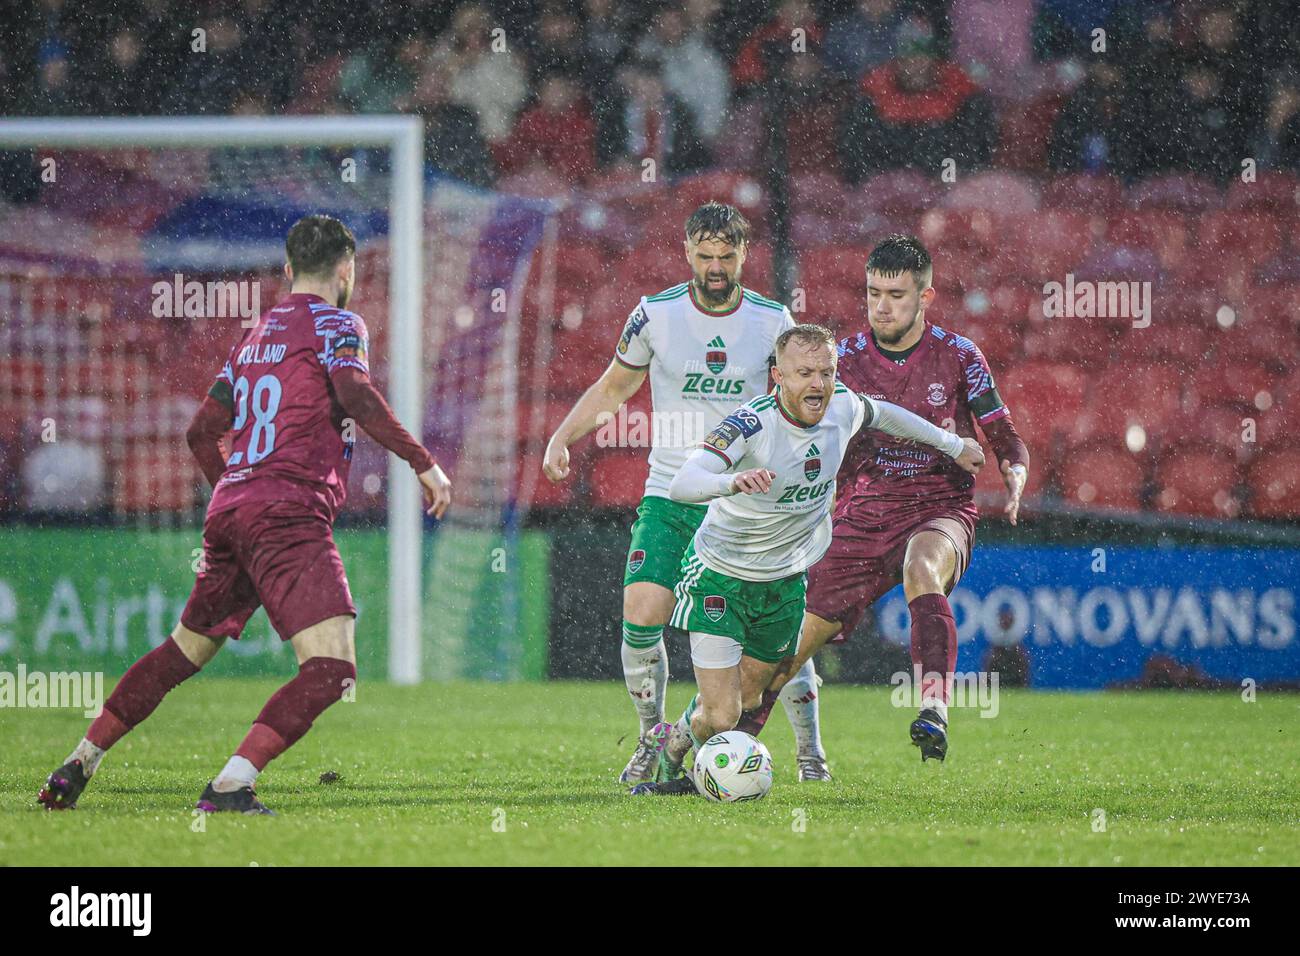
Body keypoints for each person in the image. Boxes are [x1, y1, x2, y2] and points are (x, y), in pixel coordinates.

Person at [38, 215, 451, 814]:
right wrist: (422, 462)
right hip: (288, 510)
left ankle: (80, 759)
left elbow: (200, 431)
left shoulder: (253, 338)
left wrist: (234, 491)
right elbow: (355, 393)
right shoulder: (340, 322)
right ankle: (231, 784)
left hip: (233, 506)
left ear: (287, 271)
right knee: (333, 668)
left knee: (182, 653)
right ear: (345, 269)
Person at [542, 202, 832, 784]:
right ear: (687, 253)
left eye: (727, 256)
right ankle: (652, 740)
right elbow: (611, 390)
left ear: (746, 254)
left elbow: (811, 401)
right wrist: (561, 437)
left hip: (745, 504)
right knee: (640, 612)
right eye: (706, 256)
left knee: (776, 637)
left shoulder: (774, 322)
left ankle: (810, 753)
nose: (717, 266)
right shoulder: (654, 316)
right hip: (672, 492)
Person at [630, 323, 984, 795]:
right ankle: (674, 755)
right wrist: (729, 482)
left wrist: (954, 445)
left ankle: (687, 743)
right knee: (723, 713)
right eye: (804, 373)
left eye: (826, 372)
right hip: (721, 576)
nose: (818, 384)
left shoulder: (842, 407)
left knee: (752, 694)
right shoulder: (750, 425)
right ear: (777, 376)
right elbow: (684, 482)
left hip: (785, 582)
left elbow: (890, 415)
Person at [738, 235, 1028, 762]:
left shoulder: (960, 355)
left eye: (896, 294)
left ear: (925, 296)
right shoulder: (841, 360)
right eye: (873, 293)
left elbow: (1001, 431)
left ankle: (934, 709)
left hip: (940, 507)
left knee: (923, 569)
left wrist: (1015, 469)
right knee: (784, 654)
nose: (882, 305)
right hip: (862, 515)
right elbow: (788, 426)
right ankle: (726, 749)